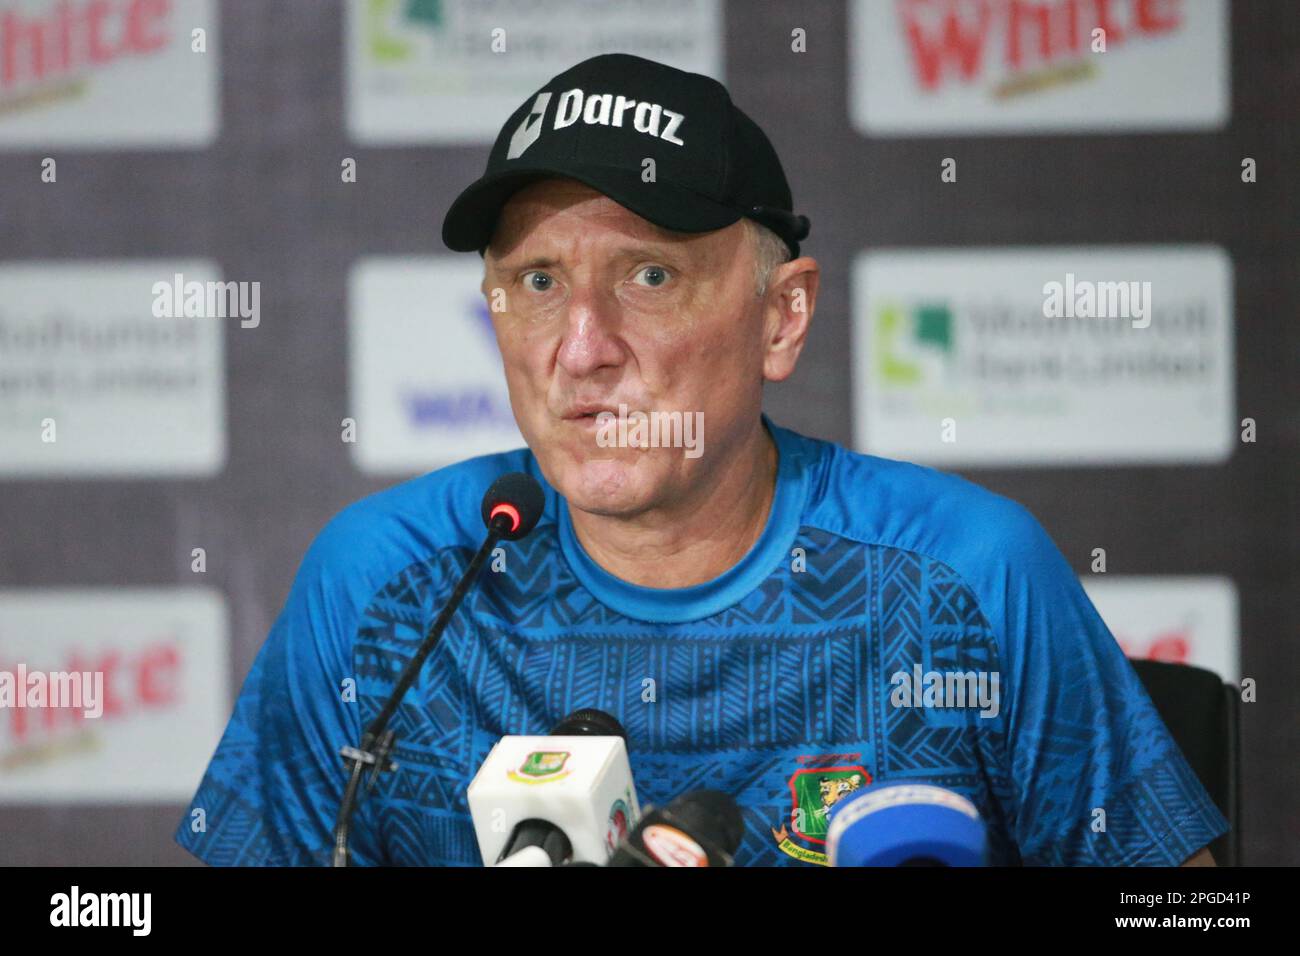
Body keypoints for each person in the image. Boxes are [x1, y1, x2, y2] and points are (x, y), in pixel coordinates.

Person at [176, 53, 1225, 866]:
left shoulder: (965, 575)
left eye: (649, 275)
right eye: (536, 281)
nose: (580, 347)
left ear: (781, 316)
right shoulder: (385, 583)